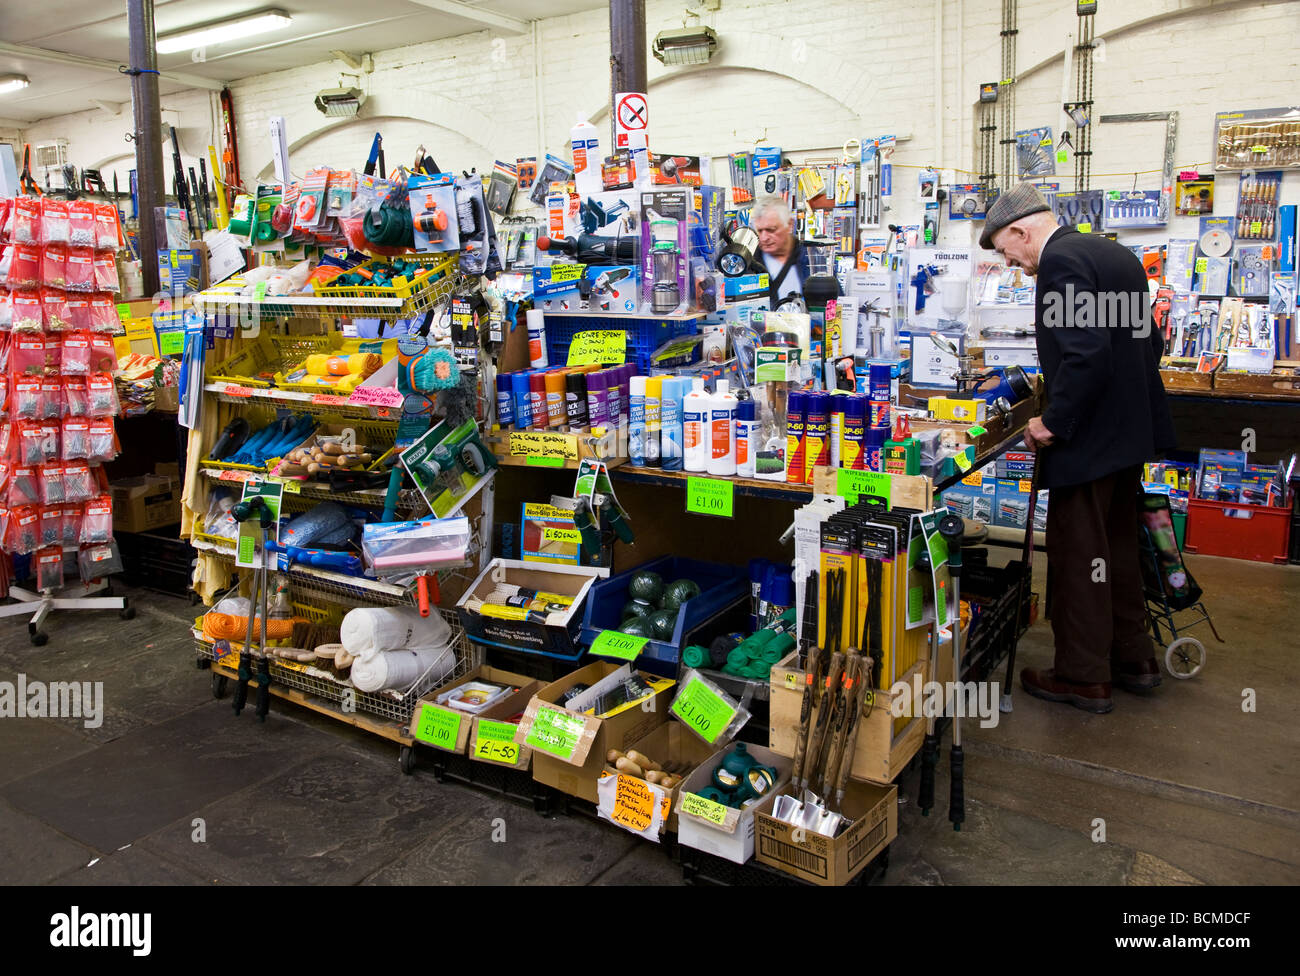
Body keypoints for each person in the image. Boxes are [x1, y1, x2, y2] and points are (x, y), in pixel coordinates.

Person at [981, 182, 1176, 714]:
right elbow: (1148, 343)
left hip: (1088, 440)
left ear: (1022, 230)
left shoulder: (1061, 263)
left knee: (1079, 555)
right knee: (1116, 548)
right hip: (1127, 435)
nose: (1011, 262)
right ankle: (1134, 660)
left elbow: (1085, 354)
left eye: (1005, 249)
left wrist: (1054, 420)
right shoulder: (1114, 254)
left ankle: (1082, 675)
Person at [750, 196, 813, 309]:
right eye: (760, 230)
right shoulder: (749, 264)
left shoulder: (811, 259)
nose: (764, 238)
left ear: (789, 225)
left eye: (771, 230)